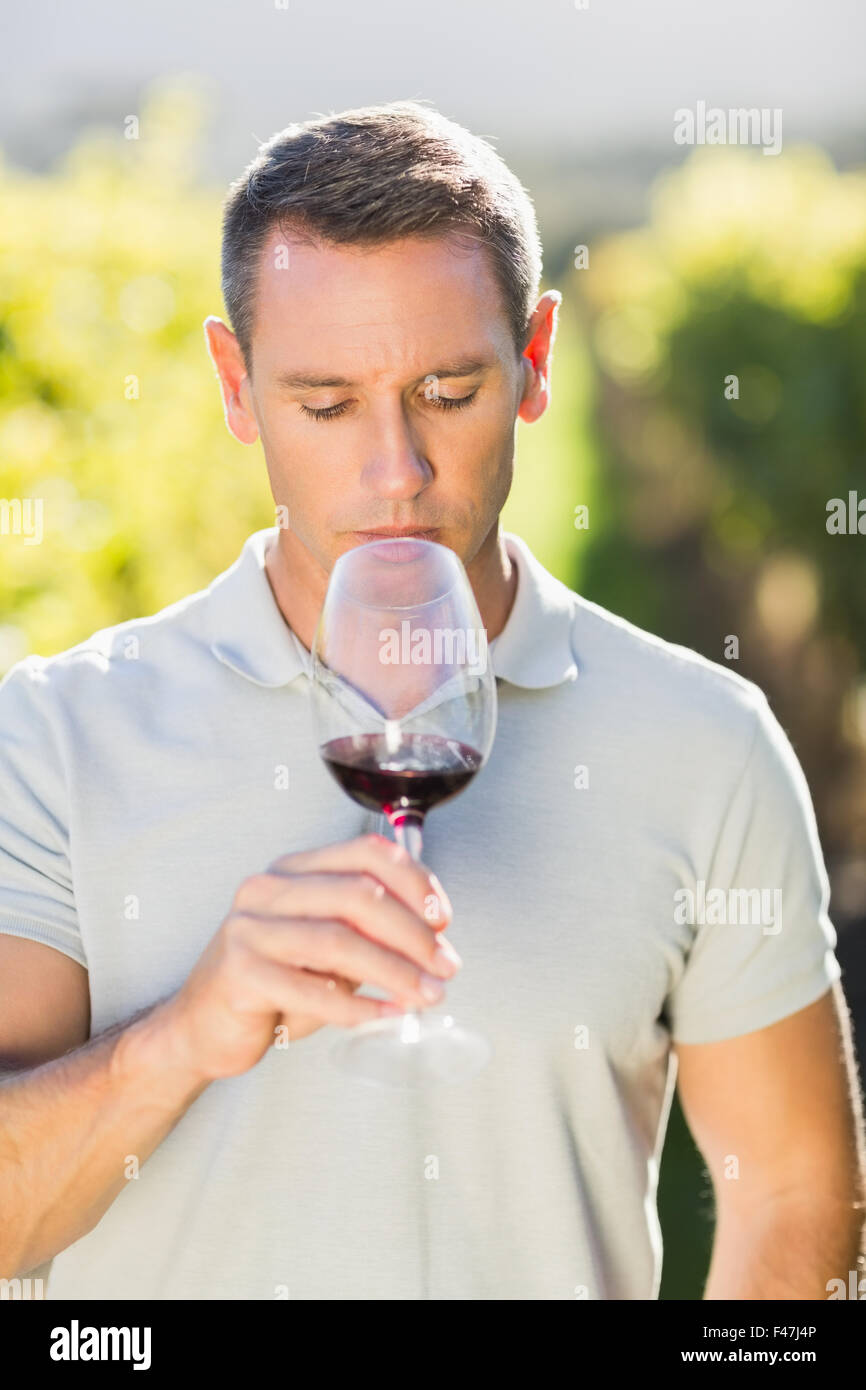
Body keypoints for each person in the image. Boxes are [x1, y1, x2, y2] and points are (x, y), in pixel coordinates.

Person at [0, 100, 863, 1302]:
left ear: (537, 361)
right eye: (325, 403)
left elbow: (789, 1189)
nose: (394, 469)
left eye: (448, 391)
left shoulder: (707, 746)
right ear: (236, 386)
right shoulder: (47, 737)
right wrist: (181, 1036)